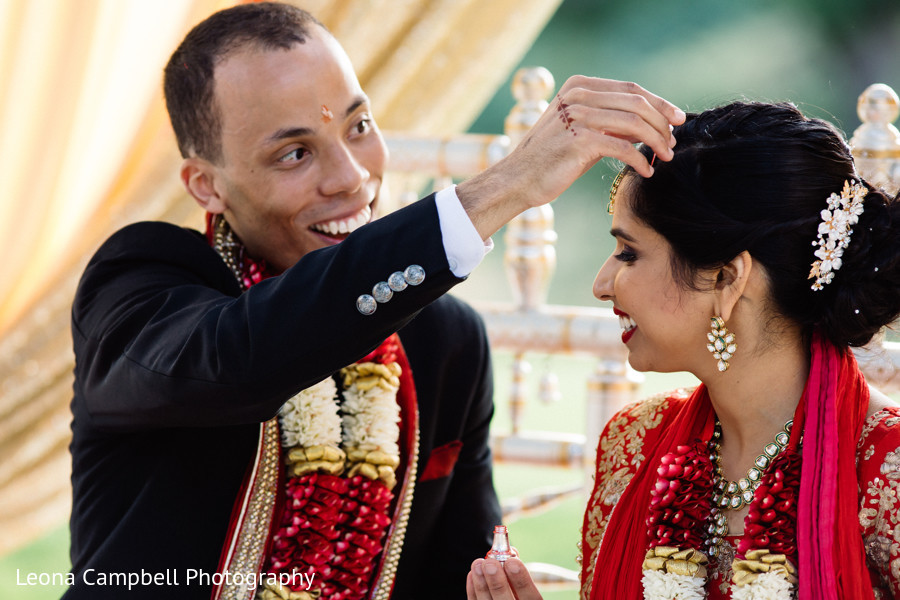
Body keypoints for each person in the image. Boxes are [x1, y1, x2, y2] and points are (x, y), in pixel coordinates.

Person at [64, 3, 684, 599]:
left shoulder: (444, 341)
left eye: (358, 127)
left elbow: (456, 571)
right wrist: (505, 187)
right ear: (208, 185)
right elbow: (236, 362)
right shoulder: (142, 283)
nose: (352, 177)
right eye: (295, 153)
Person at [466, 101, 900, 600]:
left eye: (629, 253)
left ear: (727, 278)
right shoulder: (635, 443)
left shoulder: (883, 469)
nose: (601, 284)